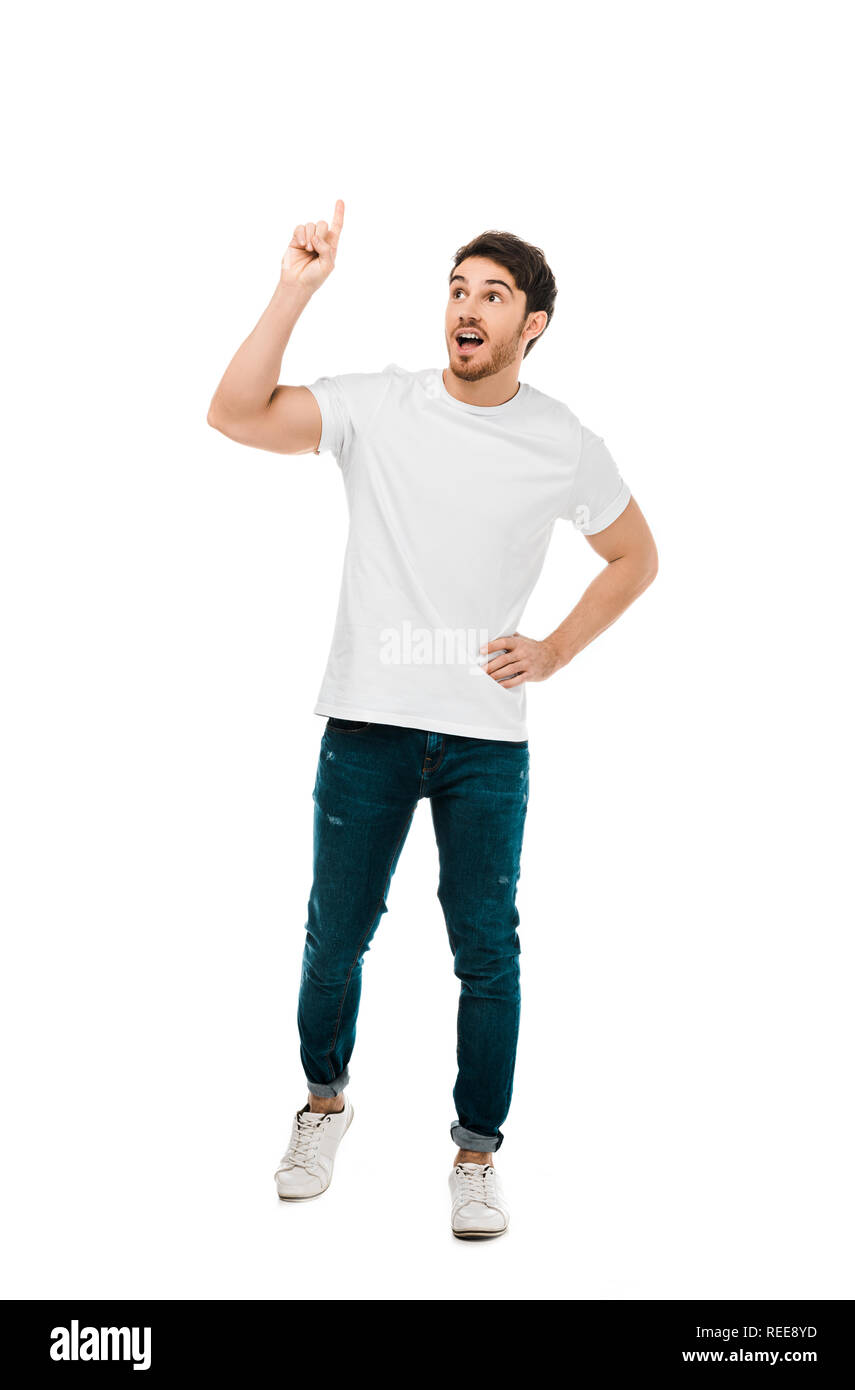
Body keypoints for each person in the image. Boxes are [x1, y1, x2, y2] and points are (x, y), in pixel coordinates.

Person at [207, 200, 659, 1239]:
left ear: (531, 324)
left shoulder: (562, 440)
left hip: (485, 743)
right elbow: (234, 412)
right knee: (336, 934)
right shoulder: (380, 405)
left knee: (486, 948)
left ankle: (475, 1152)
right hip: (365, 723)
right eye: (457, 289)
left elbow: (637, 556)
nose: (466, 308)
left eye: (491, 296)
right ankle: (323, 1103)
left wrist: (554, 649)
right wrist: (296, 288)